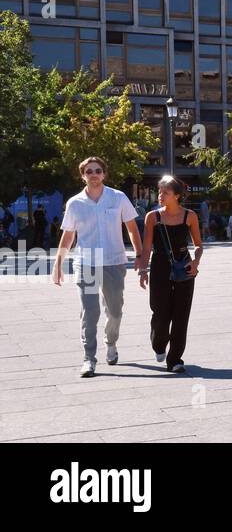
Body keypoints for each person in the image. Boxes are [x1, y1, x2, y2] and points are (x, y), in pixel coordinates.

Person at [52, 158, 144, 377]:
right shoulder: (75, 203)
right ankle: (88, 358)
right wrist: (58, 264)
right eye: (89, 171)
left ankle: (111, 343)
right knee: (89, 312)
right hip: (85, 263)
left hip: (114, 261)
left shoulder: (118, 197)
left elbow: (131, 227)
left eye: (98, 170)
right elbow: (68, 235)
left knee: (115, 311)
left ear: (104, 173)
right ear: (82, 174)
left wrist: (140, 255)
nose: (94, 174)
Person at [140, 175, 202, 373]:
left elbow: (199, 245)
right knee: (160, 312)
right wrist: (143, 269)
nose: (160, 195)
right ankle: (159, 344)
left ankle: (175, 359)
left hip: (184, 268)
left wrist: (196, 261)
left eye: (165, 192)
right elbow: (147, 246)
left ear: (176, 195)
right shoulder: (152, 217)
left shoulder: (190, 216)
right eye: (159, 192)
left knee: (181, 315)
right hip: (159, 267)